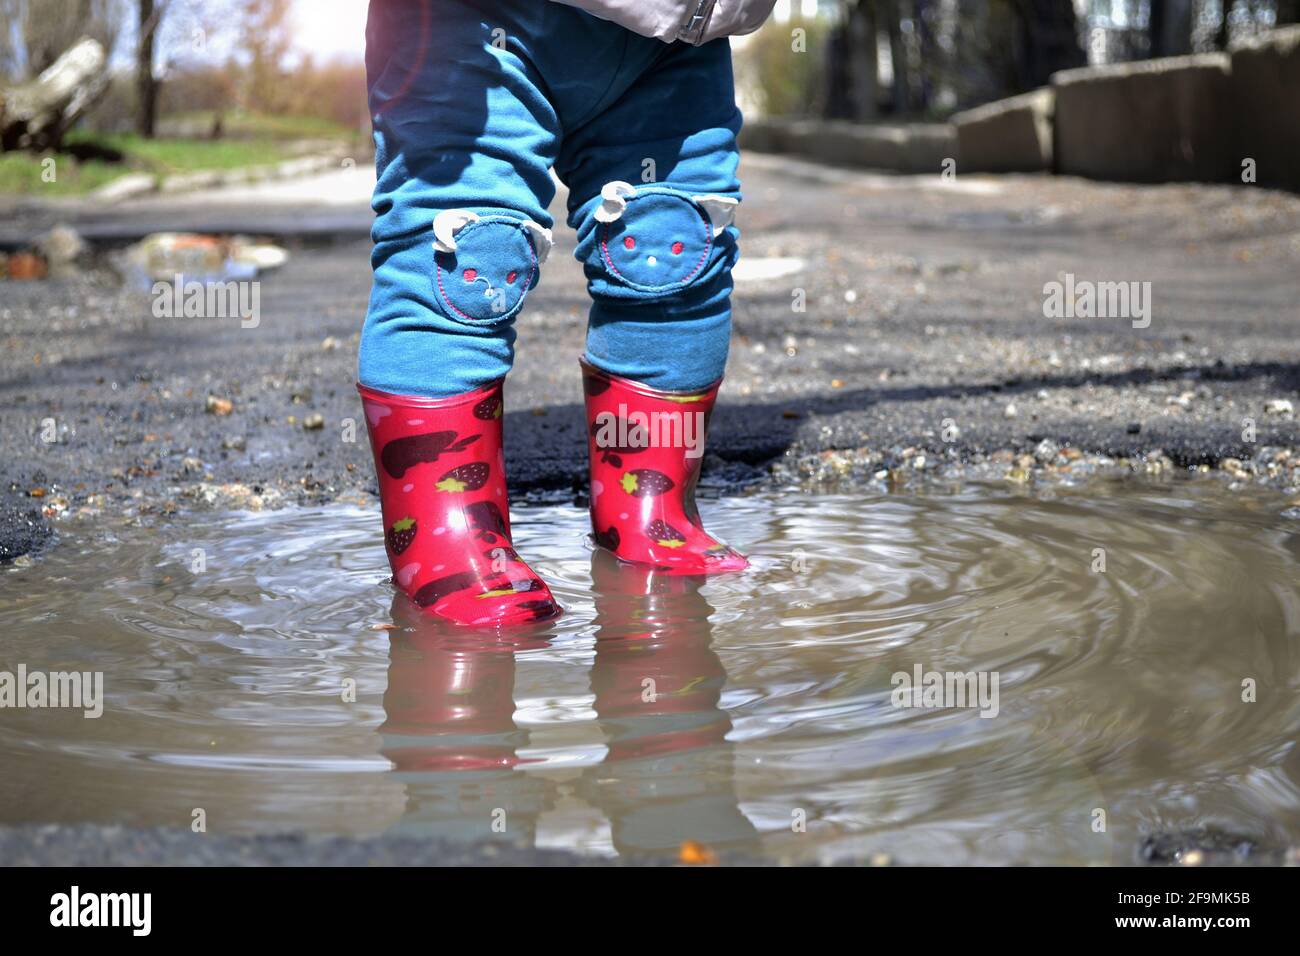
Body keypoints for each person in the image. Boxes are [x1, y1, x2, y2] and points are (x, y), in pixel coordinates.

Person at [358, 0, 776, 627]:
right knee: (463, 251)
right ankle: (447, 533)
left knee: (675, 246)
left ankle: (651, 509)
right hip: (466, 25)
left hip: (679, 31)